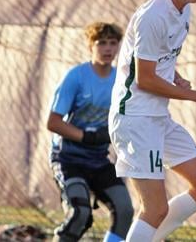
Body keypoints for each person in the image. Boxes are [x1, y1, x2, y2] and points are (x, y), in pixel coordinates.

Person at [108, 0, 196, 242]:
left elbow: (159, 58)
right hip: (135, 119)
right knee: (154, 209)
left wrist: (177, 76)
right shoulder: (153, 16)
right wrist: (195, 95)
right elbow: (144, 79)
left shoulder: (184, 9)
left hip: (158, 117)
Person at [47, 21, 134, 242]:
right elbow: (53, 122)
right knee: (80, 214)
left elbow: (126, 118)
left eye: (112, 43)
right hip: (69, 160)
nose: (108, 49)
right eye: (101, 43)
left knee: (125, 210)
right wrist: (88, 137)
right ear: (90, 46)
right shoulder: (76, 77)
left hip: (98, 160)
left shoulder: (121, 80)